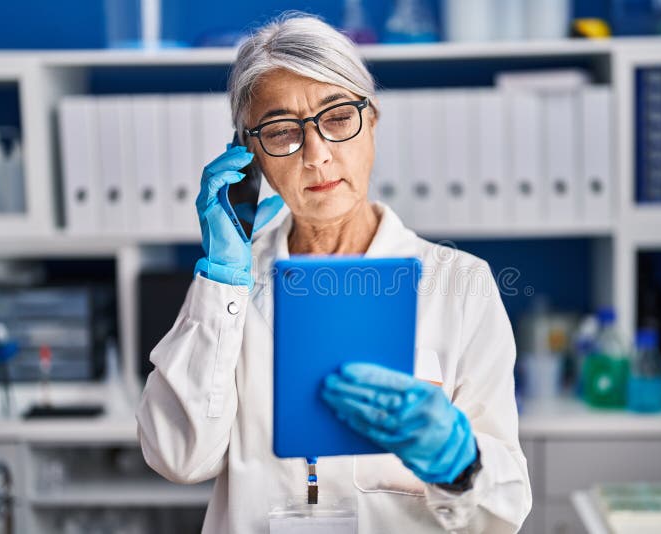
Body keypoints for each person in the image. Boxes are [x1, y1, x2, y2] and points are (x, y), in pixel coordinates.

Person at [136, 13, 531, 533]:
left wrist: (459, 462)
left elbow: (505, 511)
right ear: (249, 155)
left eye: (339, 117)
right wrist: (222, 282)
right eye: (282, 131)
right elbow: (178, 457)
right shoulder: (230, 287)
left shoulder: (460, 286)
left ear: (373, 121)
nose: (317, 155)